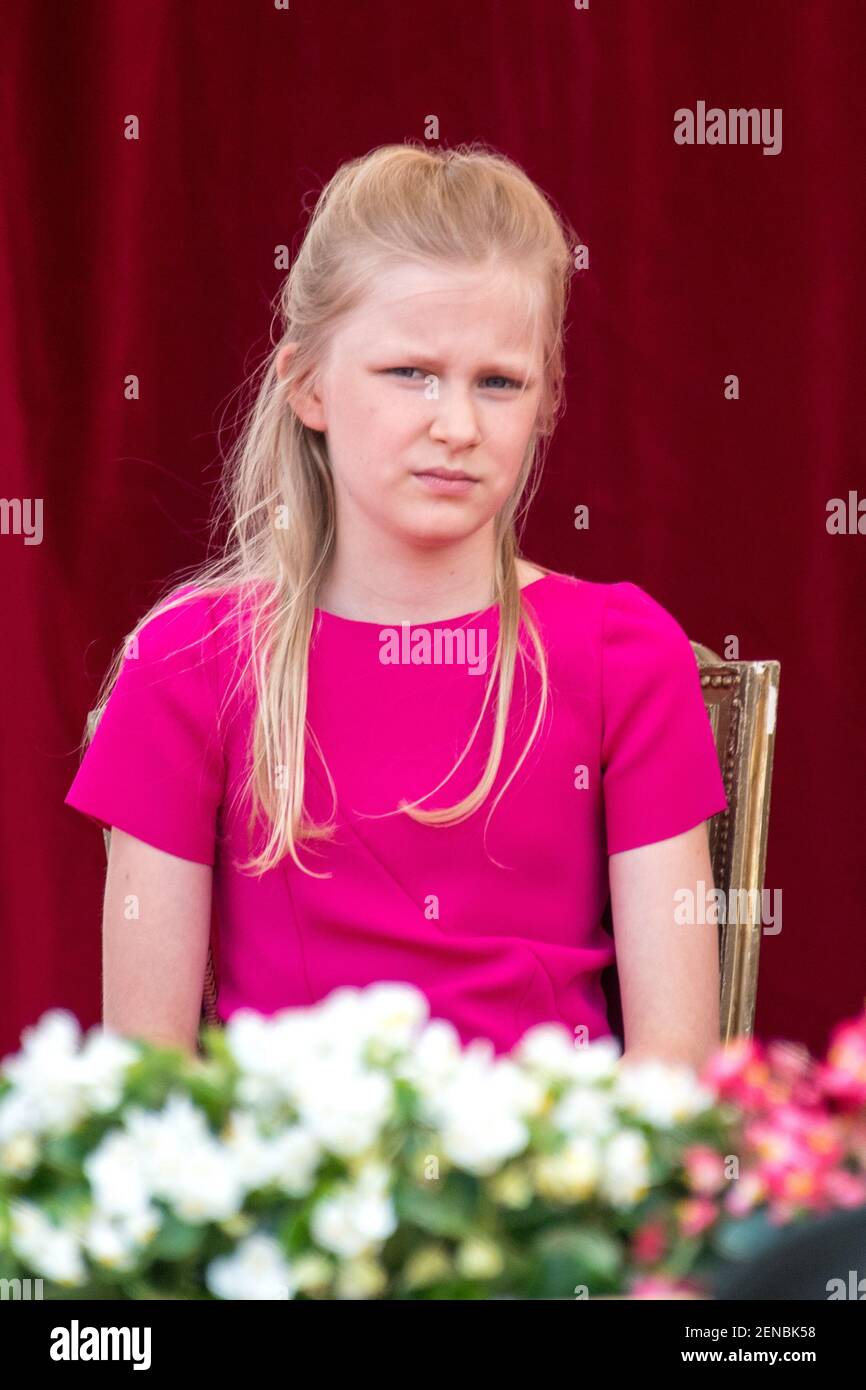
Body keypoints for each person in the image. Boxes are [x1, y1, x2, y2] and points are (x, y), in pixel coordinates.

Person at [64, 141, 728, 1065]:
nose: (456, 426)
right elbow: (149, 1083)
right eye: (410, 372)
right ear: (308, 385)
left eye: (499, 382)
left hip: (558, 1194)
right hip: (295, 1199)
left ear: (546, 403)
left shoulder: (623, 653)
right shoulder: (190, 665)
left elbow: (675, 1082)